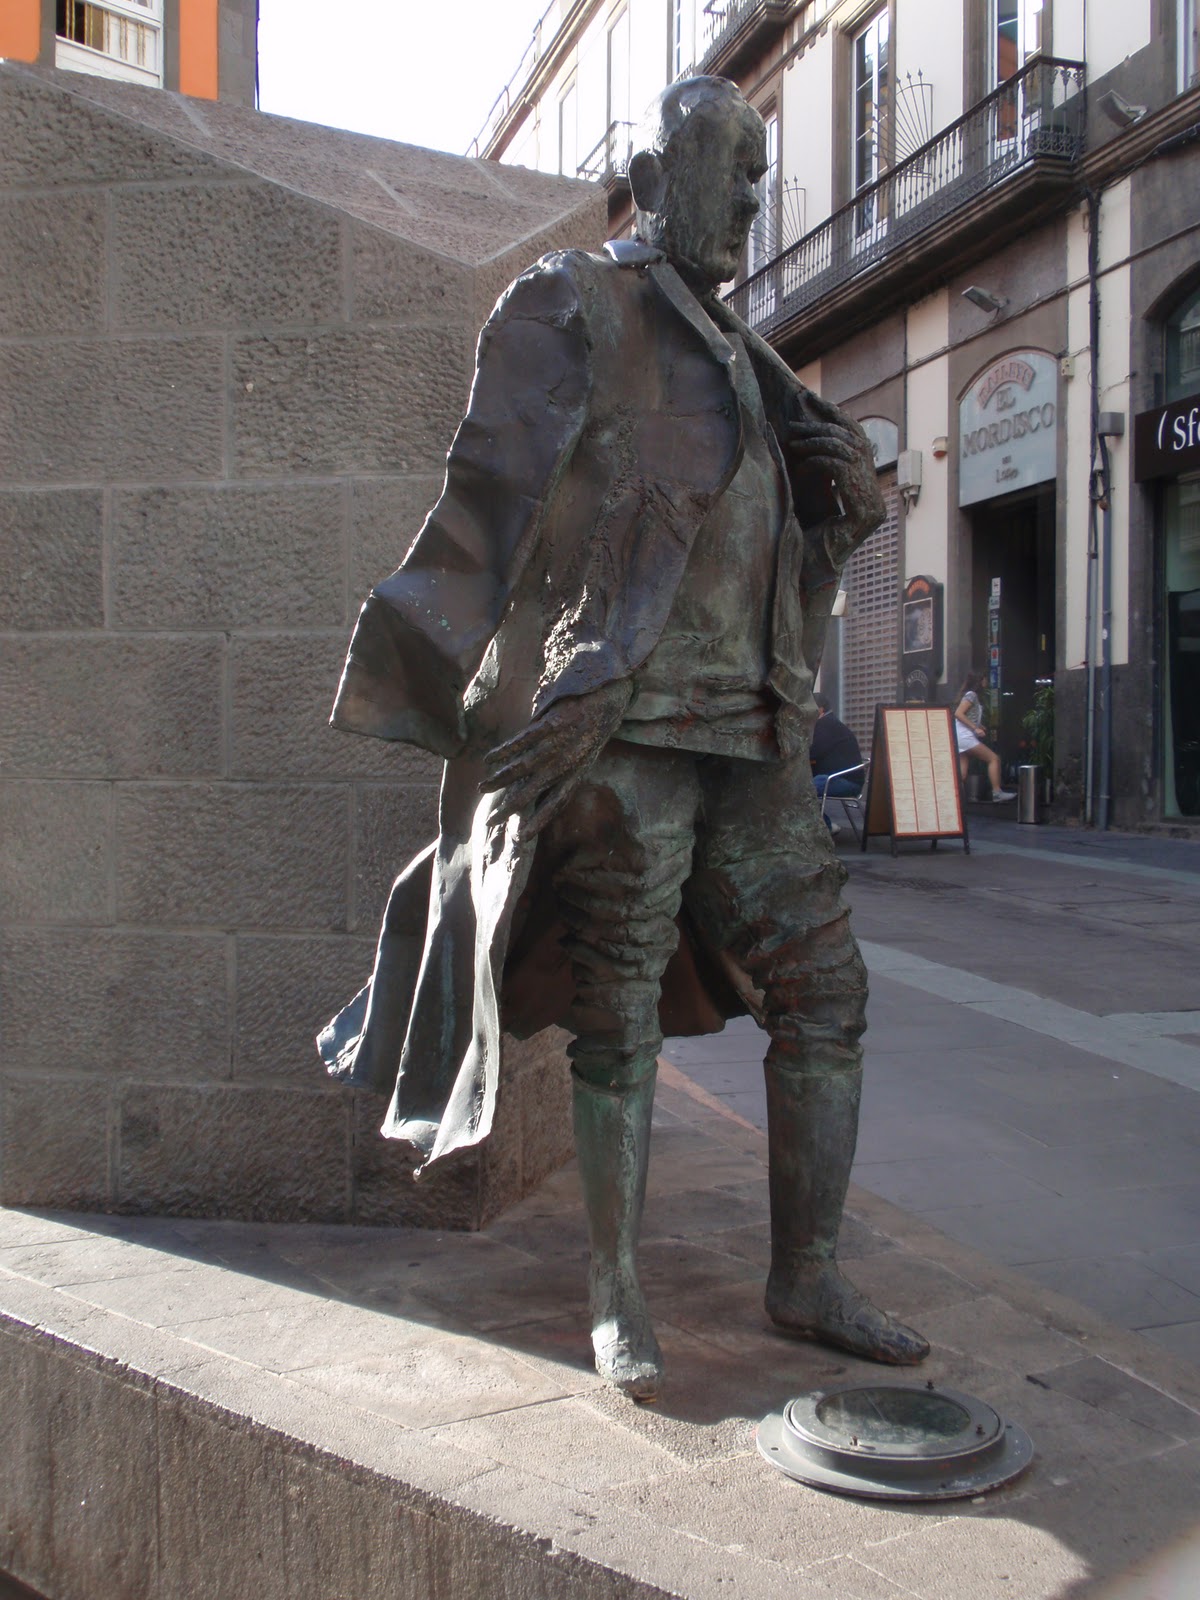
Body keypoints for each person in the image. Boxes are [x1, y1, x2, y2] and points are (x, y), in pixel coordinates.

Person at [318, 76, 928, 1400]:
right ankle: (616, 1293)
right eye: (735, 169)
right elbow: (490, 512)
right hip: (631, 729)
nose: (757, 201)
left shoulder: (744, 350)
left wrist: (841, 518)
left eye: (767, 178)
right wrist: (521, 691)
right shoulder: (578, 303)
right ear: (657, 171)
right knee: (619, 1014)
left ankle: (806, 1272)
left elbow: (757, 536)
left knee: (828, 992)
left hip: (751, 728)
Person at [955, 670, 1015, 801]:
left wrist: (979, 725)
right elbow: (959, 714)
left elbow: (967, 715)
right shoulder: (971, 695)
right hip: (965, 737)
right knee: (994, 759)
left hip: (961, 737)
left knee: (962, 774)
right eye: (985, 679)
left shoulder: (971, 696)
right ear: (980, 681)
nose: (987, 682)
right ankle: (997, 792)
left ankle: (953, 799)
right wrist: (975, 728)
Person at [810, 693, 865, 831]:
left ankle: (826, 826)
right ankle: (825, 825)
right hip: (838, 778)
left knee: (801, 790)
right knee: (802, 785)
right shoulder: (829, 724)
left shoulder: (827, 726)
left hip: (844, 781)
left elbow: (812, 752)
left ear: (819, 710)